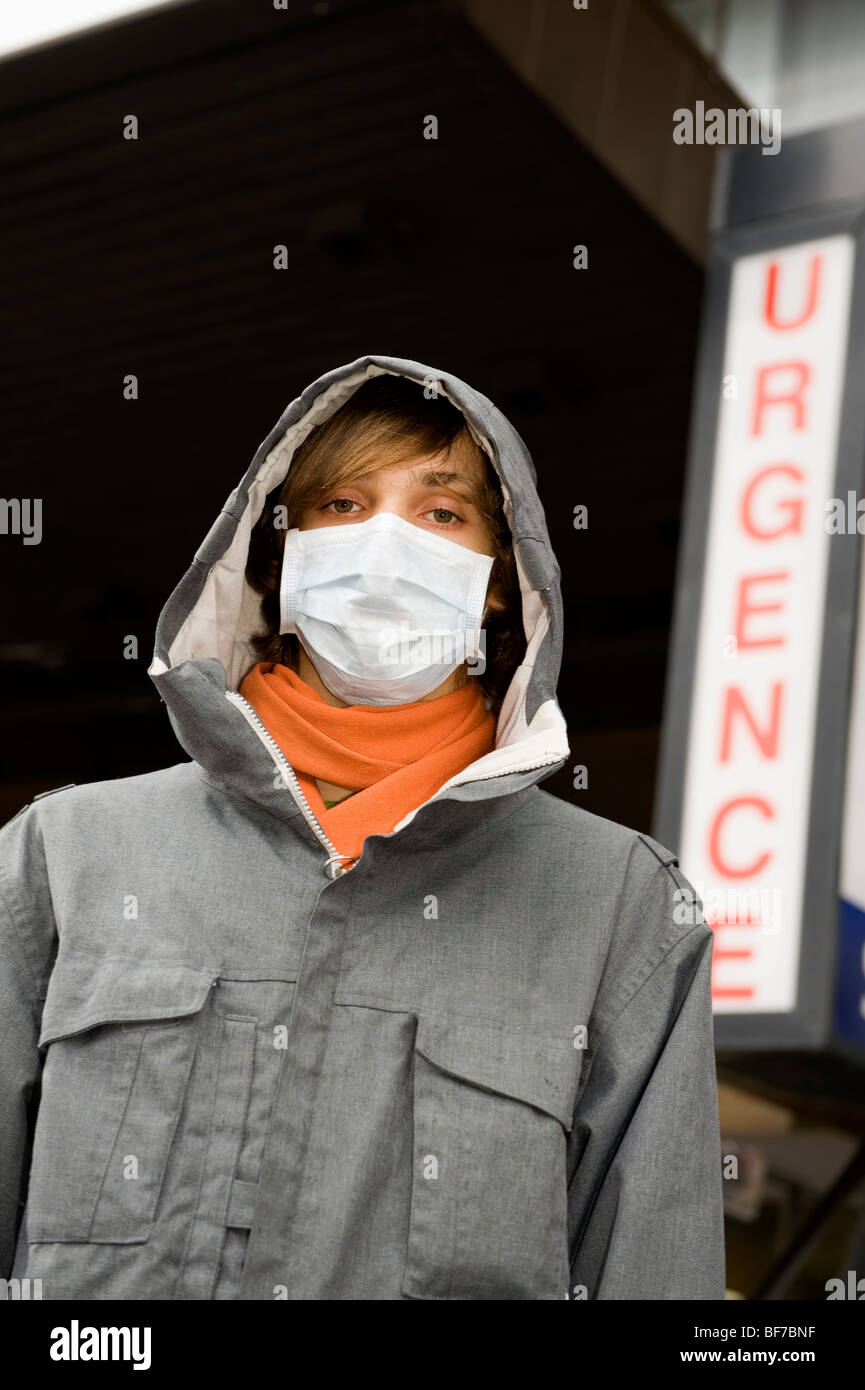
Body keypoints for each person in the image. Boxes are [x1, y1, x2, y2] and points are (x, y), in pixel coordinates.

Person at [0, 355, 725, 1300]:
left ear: (500, 583)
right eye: (341, 504)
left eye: (440, 512)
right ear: (280, 553)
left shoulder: (617, 902)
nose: (384, 545)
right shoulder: (68, 853)